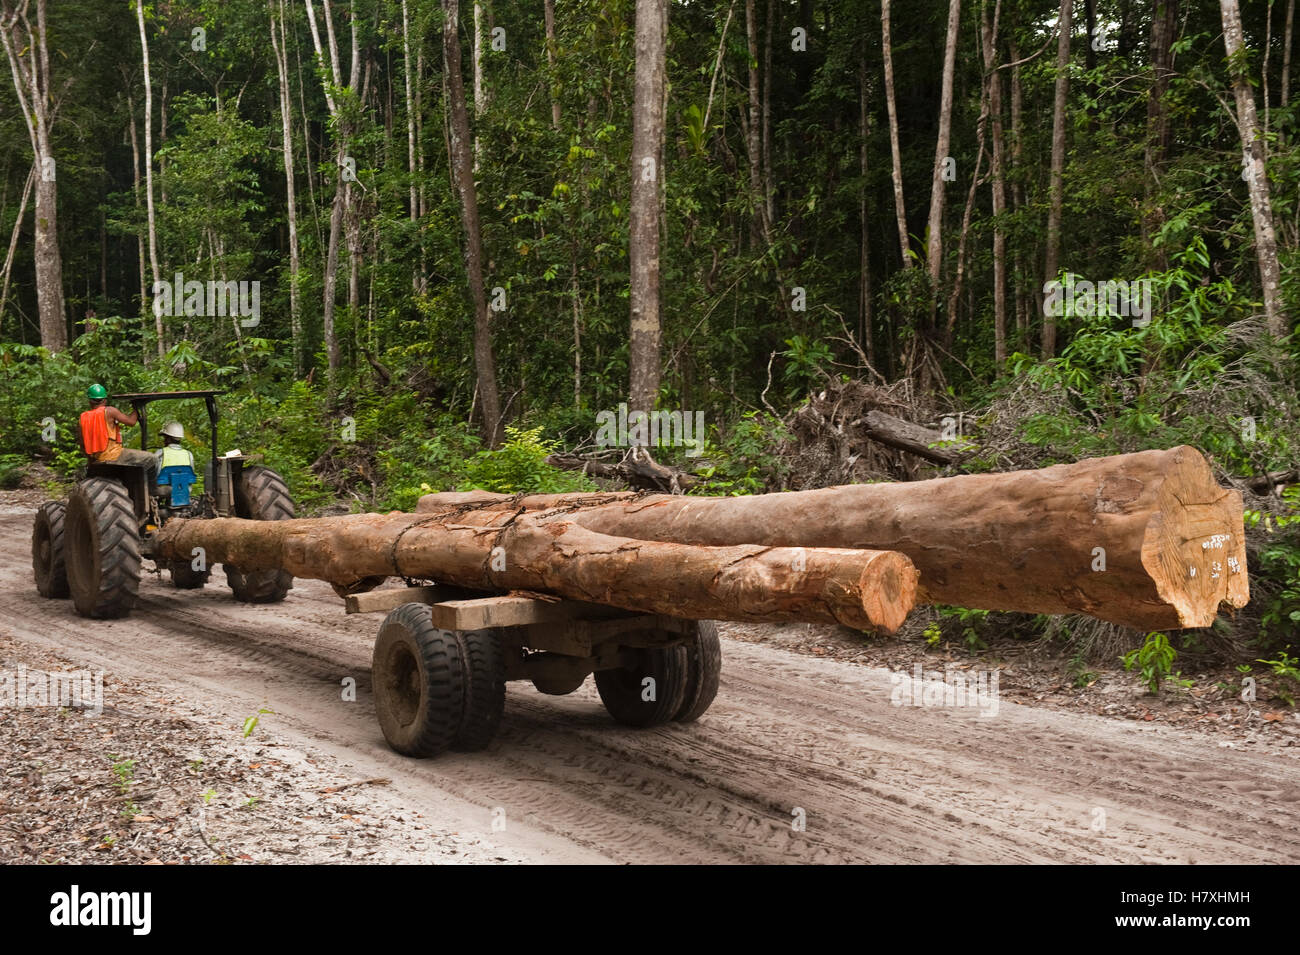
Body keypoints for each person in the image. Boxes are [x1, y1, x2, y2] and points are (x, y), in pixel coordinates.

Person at [79, 384, 158, 483]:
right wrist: (136, 409)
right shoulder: (110, 411)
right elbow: (131, 422)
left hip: (95, 458)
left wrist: (91, 461)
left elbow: (82, 444)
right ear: (104, 400)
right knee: (151, 458)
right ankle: (153, 489)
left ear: (89, 400)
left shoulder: (83, 417)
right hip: (113, 454)